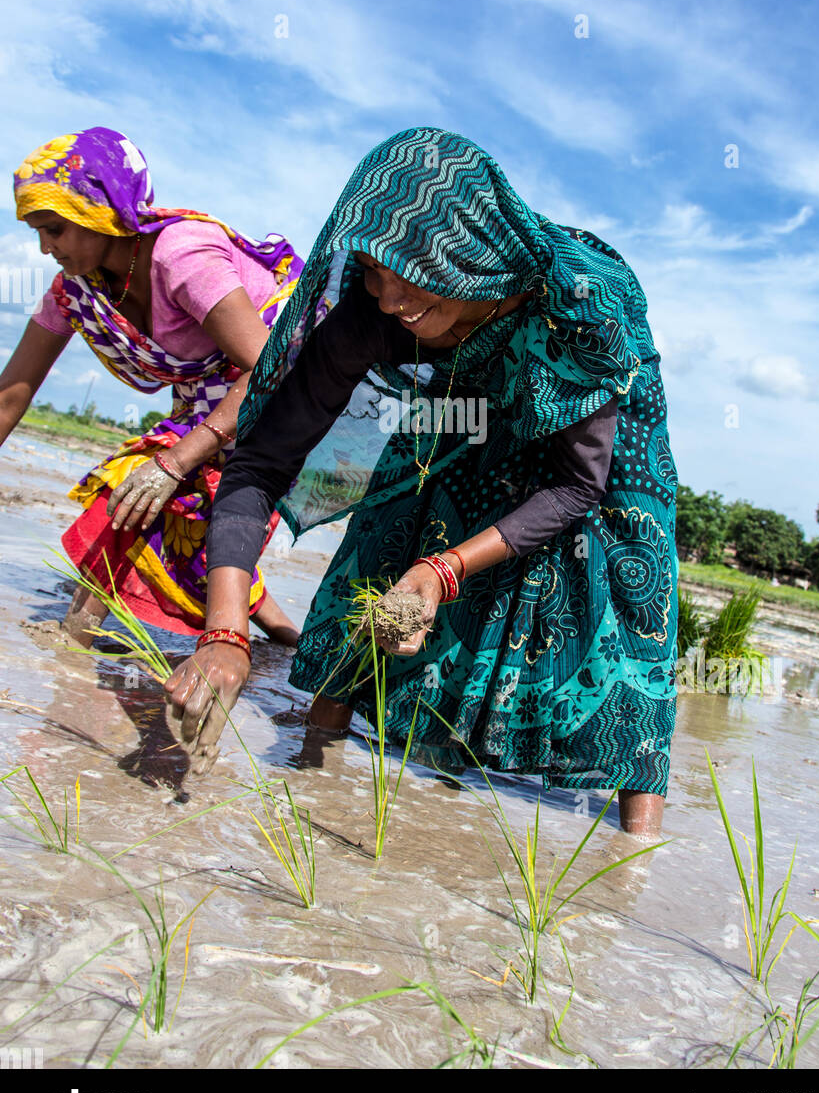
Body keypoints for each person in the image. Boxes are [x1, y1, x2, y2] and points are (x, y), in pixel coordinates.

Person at [166, 128, 679, 835]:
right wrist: (225, 633)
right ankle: (315, 761)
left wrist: (444, 570)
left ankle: (636, 850)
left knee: (619, 555)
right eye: (371, 272)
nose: (388, 298)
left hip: (594, 404)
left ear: (464, 253)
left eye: (407, 273)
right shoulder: (373, 312)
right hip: (464, 390)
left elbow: (575, 485)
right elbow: (259, 464)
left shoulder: (579, 304)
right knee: (395, 520)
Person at [0, 126, 305, 645]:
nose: (46, 247)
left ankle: (72, 642)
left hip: (281, 391)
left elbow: (268, 366)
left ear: (101, 210)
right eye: (38, 233)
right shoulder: (76, 291)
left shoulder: (181, 254)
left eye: (54, 229)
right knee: (197, 527)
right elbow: (12, 392)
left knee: (138, 488)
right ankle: (282, 635)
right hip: (211, 399)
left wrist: (173, 462)